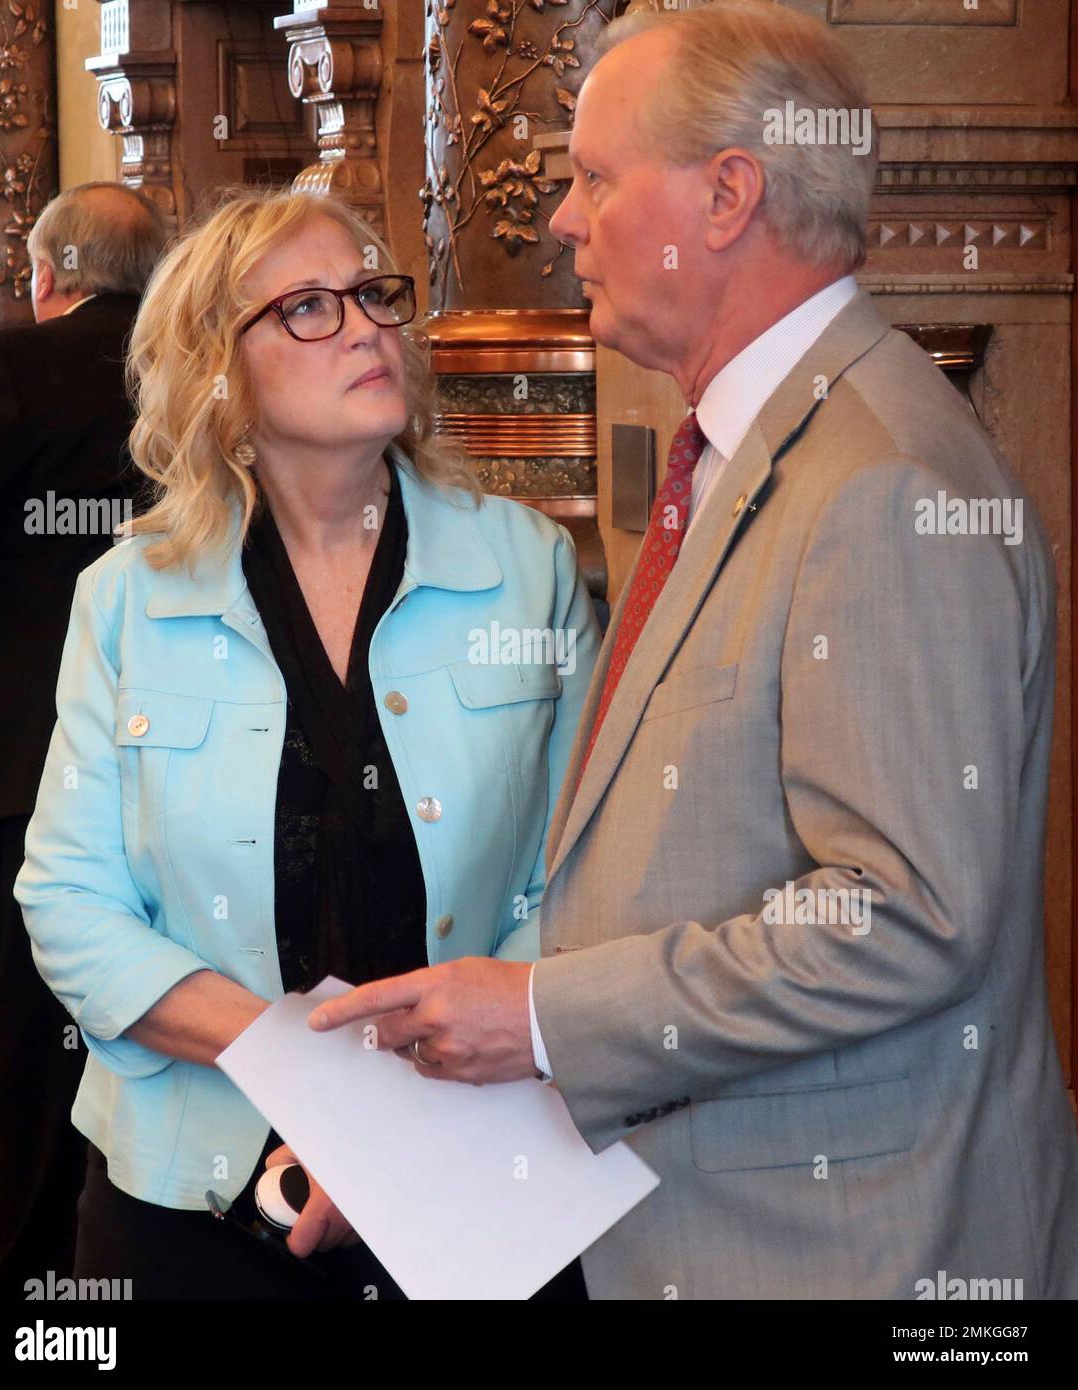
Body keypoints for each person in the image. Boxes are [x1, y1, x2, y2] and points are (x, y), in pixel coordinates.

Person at [305, 1, 1078, 1300]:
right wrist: (442, 1127)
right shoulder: (757, 448)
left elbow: (901, 917)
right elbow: (687, 884)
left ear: (727, 196)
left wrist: (544, 1016)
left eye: (597, 178)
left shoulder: (877, 485)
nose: (561, 219)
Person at [12, 186, 599, 1300]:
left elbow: (573, 881)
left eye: (375, 295)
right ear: (217, 368)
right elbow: (70, 903)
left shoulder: (523, 568)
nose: (370, 326)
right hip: (194, 1200)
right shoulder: (129, 597)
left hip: (478, 1165)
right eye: (311, 308)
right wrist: (316, 1079)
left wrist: (402, 1115)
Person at [0, 181, 167, 1300]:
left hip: (14, 754)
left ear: (50, 274)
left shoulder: (7, 368)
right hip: (176, 748)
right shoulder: (195, 369)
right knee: (138, 1012)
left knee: (30, 1021)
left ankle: (39, 1289)